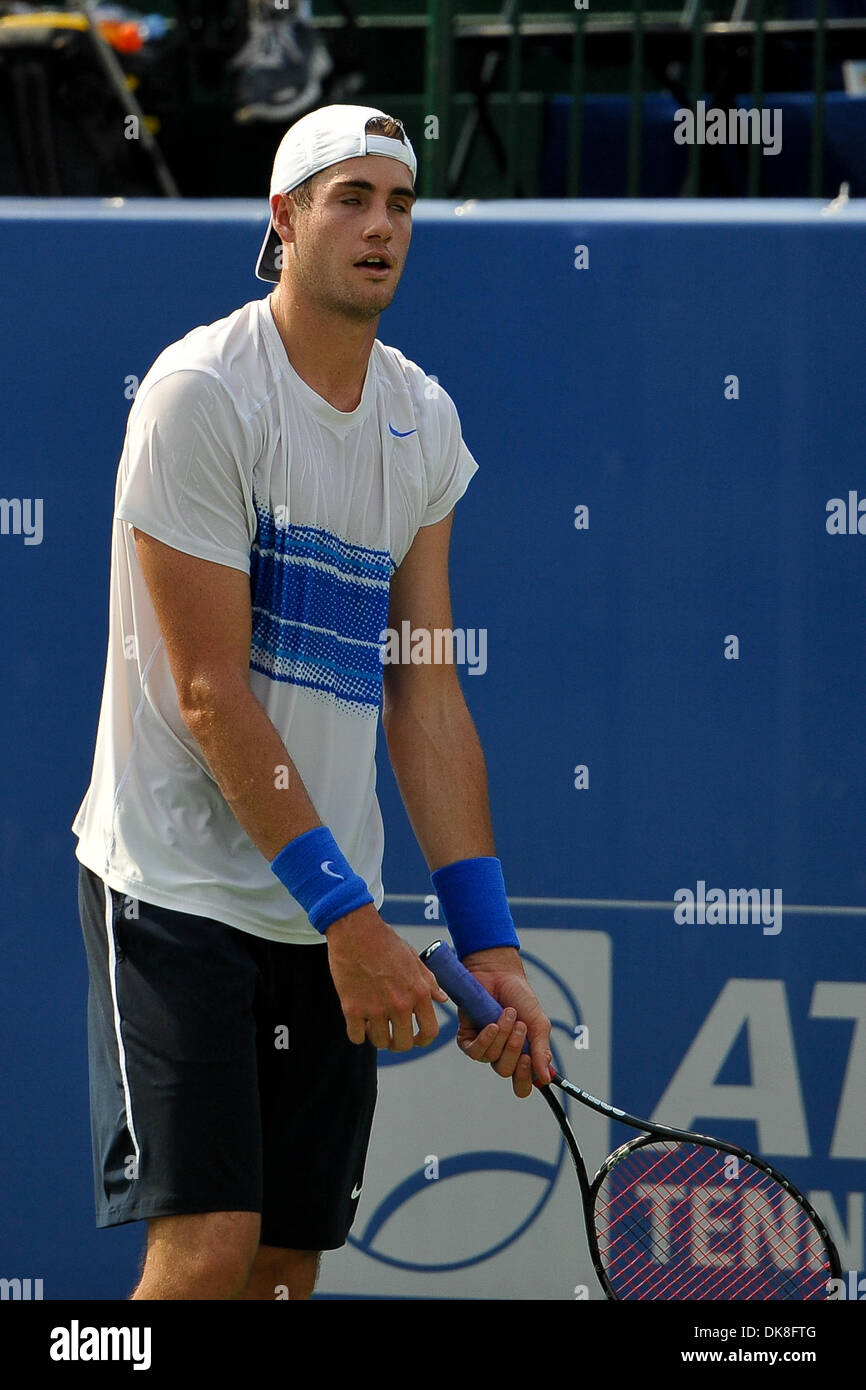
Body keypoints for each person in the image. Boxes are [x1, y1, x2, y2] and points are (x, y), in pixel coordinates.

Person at [72, 103, 552, 1302]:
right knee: (209, 1253)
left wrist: (483, 934)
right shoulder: (200, 395)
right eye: (350, 199)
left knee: (286, 1270)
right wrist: (351, 917)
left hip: (322, 912)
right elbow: (204, 688)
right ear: (283, 222)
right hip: (177, 889)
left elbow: (424, 688)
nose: (380, 226)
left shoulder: (423, 423)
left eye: (398, 203)